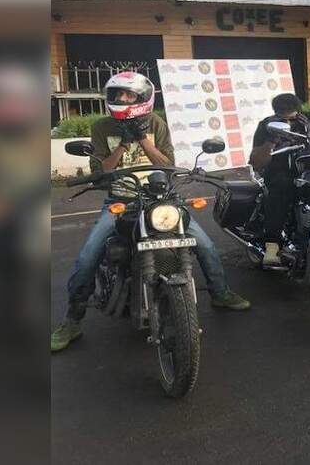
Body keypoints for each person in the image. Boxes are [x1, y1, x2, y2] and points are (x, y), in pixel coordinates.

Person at [52, 72, 249, 353]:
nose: (122, 99)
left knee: (204, 244)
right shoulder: (102, 127)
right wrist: (122, 143)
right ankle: (72, 320)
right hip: (121, 200)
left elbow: (168, 164)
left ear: (142, 97)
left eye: (128, 95)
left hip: (161, 198)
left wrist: (144, 140)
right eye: (118, 95)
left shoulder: (156, 123)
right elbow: (102, 172)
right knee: (87, 257)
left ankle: (220, 293)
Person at [250, 93, 310, 243]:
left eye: (291, 118)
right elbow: (256, 161)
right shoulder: (266, 125)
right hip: (279, 170)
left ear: (299, 111)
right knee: (281, 187)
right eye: (282, 119)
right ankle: (272, 244)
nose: (287, 122)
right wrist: (272, 140)